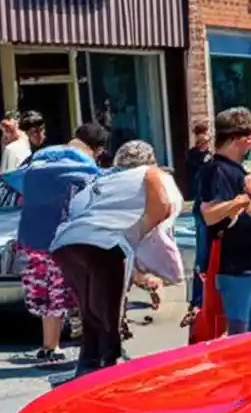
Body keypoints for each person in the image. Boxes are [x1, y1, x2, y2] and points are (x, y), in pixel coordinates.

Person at [50, 141, 178, 379]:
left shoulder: (101, 179)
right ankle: (109, 370)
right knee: (108, 312)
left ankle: (87, 368)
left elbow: (77, 208)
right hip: (105, 243)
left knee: (90, 310)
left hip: (66, 243)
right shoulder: (149, 173)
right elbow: (163, 206)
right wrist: (136, 233)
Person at [3, 122, 110, 365]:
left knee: (46, 293)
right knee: (70, 291)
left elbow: (21, 195)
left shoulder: (41, 159)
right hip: (64, 239)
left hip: (32, 238)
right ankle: (90, 348)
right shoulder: (85, 168)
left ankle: (49, 346)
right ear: (98, 149)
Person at [196, 107, 251, 338]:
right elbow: (209, 214)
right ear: (241, 138)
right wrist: (248, 197)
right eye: (250, 135)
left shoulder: (232, 170)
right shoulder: (217, 170)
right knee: (240, 333)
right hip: (236, 266)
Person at [184, 120, 212, 197]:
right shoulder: (193, 153)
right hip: (197, 183)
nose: (207, 143)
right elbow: (192, 167)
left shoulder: (208, 154)